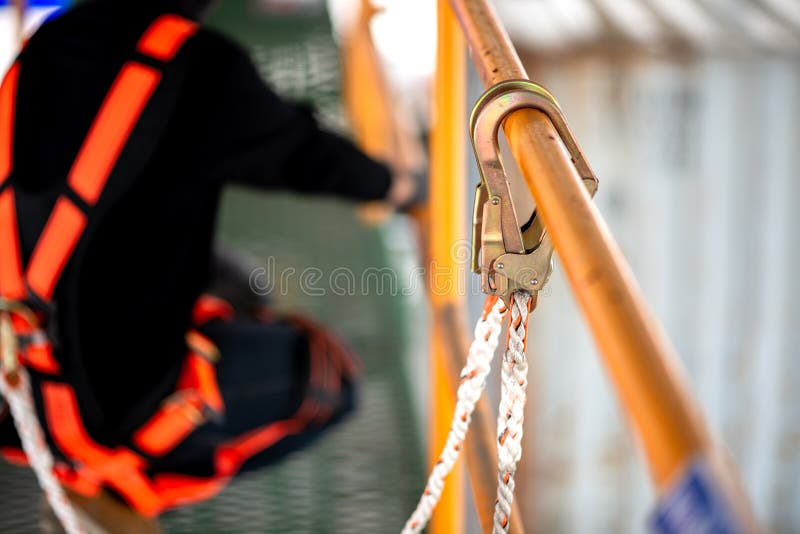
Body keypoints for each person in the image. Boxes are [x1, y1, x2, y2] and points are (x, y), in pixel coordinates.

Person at [0, 0, 414, 519]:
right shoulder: (196, 64)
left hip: (22, 375)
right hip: (114, 400)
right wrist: (397, 186)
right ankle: (134, 485)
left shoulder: (51, 40)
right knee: (333, 380)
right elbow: (304, 155)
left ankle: (120, 475)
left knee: (238, 280)